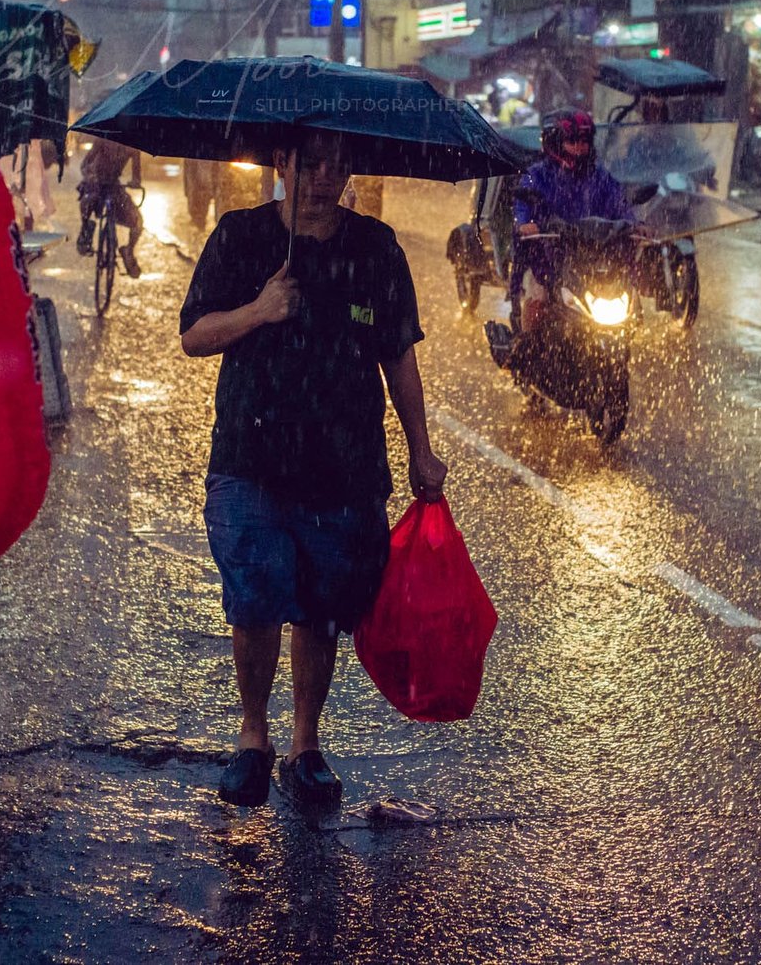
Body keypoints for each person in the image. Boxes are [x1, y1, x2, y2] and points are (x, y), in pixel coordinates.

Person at [179, 131, 448, 809]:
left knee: (324, 610)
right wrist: (260, 310)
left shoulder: (376, 249)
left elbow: (399, 357)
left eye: (336, 165)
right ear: (281, 164)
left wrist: (421, 448)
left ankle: (306, 743)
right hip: (250, 455)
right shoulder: (240, 237)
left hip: (345, 463)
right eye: (309, 163)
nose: (323, 179)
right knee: (255, 600)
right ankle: (252, 737)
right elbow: (192, 336)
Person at [507, 108, 635, 331]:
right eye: (572, 140)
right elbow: (523, 205)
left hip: (594, 256)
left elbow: (620, 203)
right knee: (539, 298)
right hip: (549, 254)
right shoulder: (537, 174)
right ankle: (525, 343)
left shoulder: (599, 176)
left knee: (629, 299)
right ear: (557, 142)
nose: (579, 146)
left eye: (584, 140)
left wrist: (636, 224)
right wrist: (525, 224)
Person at [76, 135, 144, 278]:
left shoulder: (134, 147)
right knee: (88, 202)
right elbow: (85, 164)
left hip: (115, 186)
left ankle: (128, 251)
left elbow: (137, 176)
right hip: (96, 184)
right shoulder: (104, 139)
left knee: (138, 222)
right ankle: (85, 231)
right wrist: (90, 174)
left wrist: (135, 182)